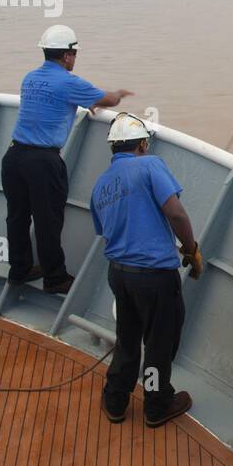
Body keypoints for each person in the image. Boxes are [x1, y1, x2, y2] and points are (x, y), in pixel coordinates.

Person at [90, 113, 202, 428]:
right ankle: (156, 404)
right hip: (154, 277)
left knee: (127, 338)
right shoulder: (150, 165)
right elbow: (176, 214)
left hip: (119, 274)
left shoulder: (99, 185)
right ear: (142, 144)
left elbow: (105, 229)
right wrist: (191, 250)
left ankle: (115, 401)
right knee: (158, 344)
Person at [2, 25, 132, 295]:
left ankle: (20, 270)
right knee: (49, 221)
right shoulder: (69, 82)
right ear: (67, 55)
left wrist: (87, 101)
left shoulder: (29, 78)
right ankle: (54, 278)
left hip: (13, 157)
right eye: (74, 53)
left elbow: (51, 102)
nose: (75, 59)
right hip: (42, 162)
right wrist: (118, 94)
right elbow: (107, 99)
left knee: (17, 218)